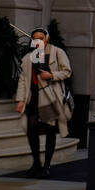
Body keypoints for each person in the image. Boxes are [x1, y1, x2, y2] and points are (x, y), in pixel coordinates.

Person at [14, 27, 72, 177]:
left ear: (47, 38)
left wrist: (51, 75)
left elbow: (67, 72)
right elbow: (23, 79)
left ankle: (47, 164)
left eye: (41, 37)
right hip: (33, 98)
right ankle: (36, 163)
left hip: (50, 97)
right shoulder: (30, 56)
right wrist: (20, 99)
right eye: (35, 38)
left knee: (50, 131)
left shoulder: (57, 52)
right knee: (31, 129)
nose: (38, 40)